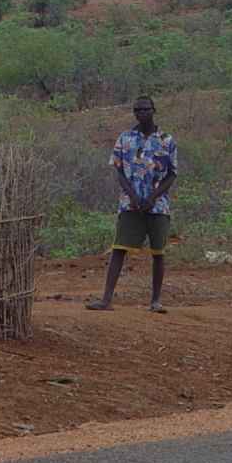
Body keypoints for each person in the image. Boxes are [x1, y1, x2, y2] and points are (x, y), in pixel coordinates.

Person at [86, 95, 178, 314]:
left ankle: (155, 300)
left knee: (158, 251)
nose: (141, 113)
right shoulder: (125, 138)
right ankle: (106, 298)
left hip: (158, 205)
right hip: (130, 203)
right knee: (119, 248)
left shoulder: (167, 140)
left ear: (154, 110)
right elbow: (118, 170)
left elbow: (172, 175)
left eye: (145, 109)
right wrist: (133, 197)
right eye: (137, 110)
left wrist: (153, 196)